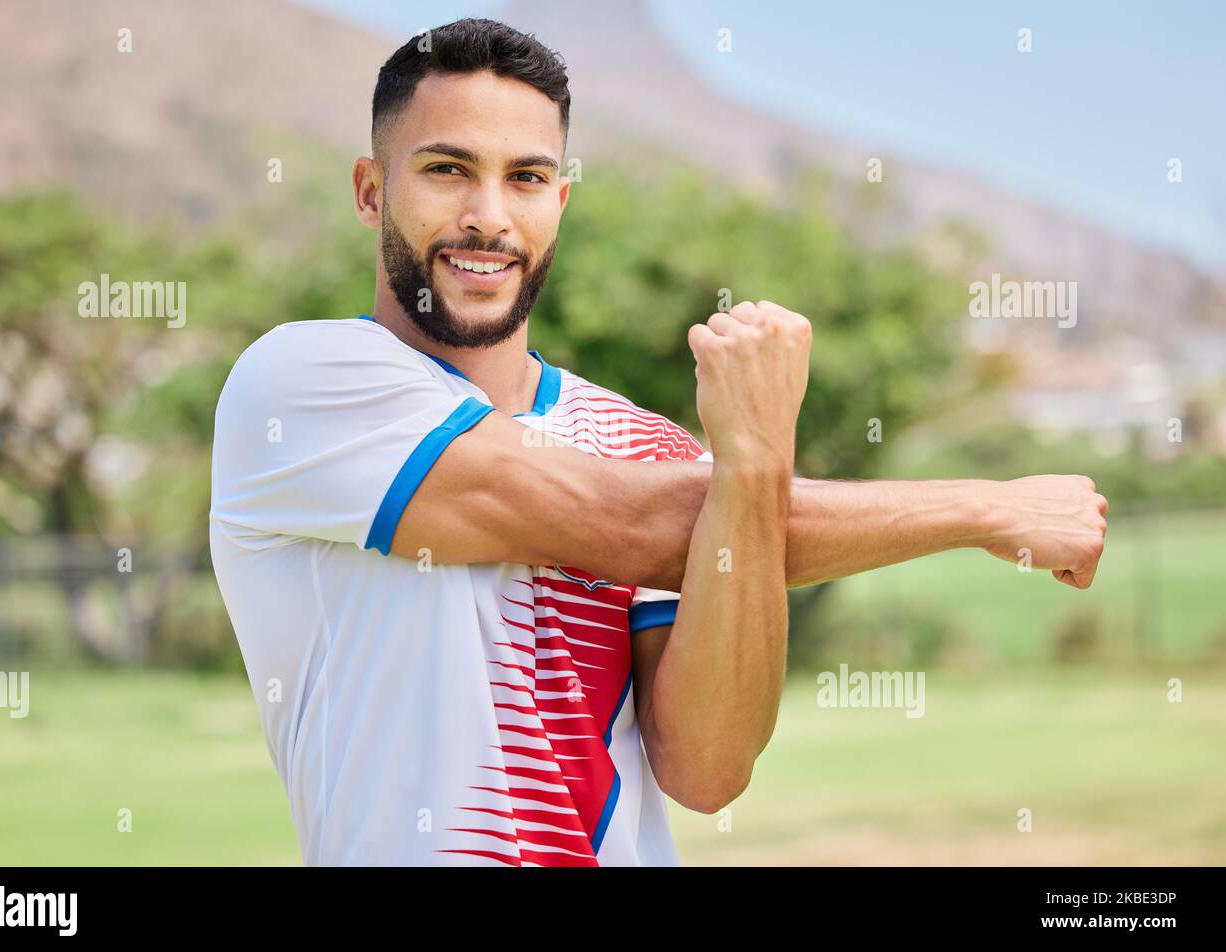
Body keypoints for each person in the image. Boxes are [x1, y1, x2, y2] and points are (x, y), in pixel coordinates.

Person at [208, 18, 1108, 866]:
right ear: (372, 190)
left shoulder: (643, 443)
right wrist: (988, 507)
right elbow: (634, 526)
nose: (489, 215)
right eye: (447, 169)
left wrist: (749, 470)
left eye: (525, 178)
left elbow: (708, 769)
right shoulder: (299, 386)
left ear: (559, 200)